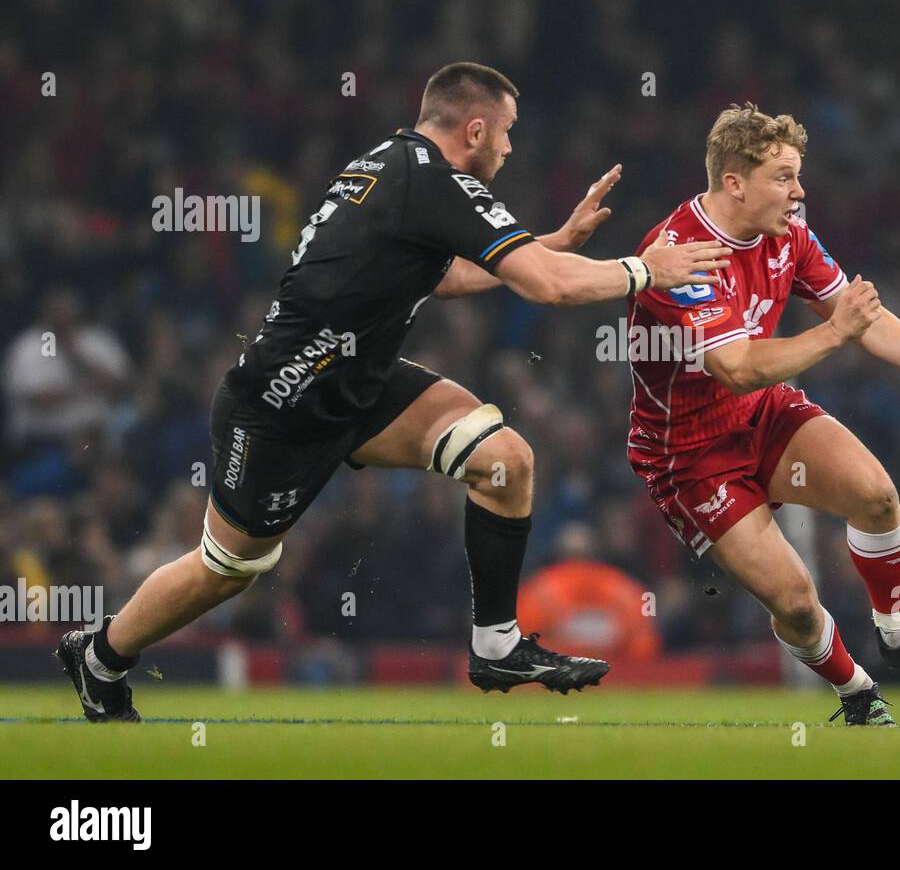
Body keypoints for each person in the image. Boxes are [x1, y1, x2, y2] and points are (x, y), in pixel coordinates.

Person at [58, 62, 731, 721]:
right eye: (506, 131)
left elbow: (441, 278)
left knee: (506, 461)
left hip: (362, 384)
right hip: (281, 405)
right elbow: (549, 287)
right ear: (473, 129)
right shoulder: (438, 185)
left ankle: (496, 646)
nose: (509, 145)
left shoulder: (388, 166)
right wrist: (647, 269)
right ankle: (100, 657)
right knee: (228, 569)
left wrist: (549, 243)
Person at [626, 103, 900, 725]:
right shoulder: (679, 254)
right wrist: (835, 334)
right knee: (798, 605)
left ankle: (898, 633)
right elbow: (737, 366)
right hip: (690, 454)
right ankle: (857, 689)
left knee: (877, 495)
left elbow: (856, 312)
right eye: (783, 177)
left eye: (797, 176)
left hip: (762, 413)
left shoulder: (791, 234)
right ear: (735, 182)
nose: (799, 191)